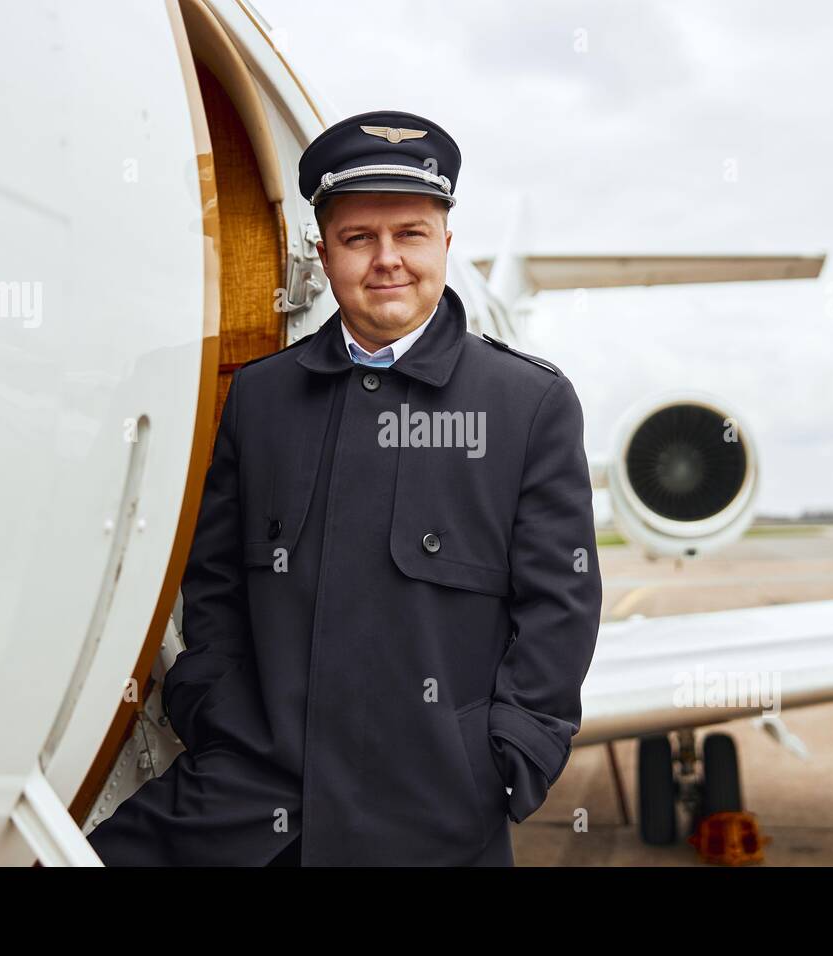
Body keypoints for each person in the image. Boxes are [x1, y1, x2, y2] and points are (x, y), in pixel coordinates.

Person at [87, 109, 601, 867]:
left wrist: (503, 760)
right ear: (325, 253)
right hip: (245, 797)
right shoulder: (260, 400)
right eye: (359, 238)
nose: (387, 260)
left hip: (433, 812)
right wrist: (213, 711)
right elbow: (216, 583)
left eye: (411, 235)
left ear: (446, 246)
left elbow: (561, 606)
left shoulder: (527, 405)